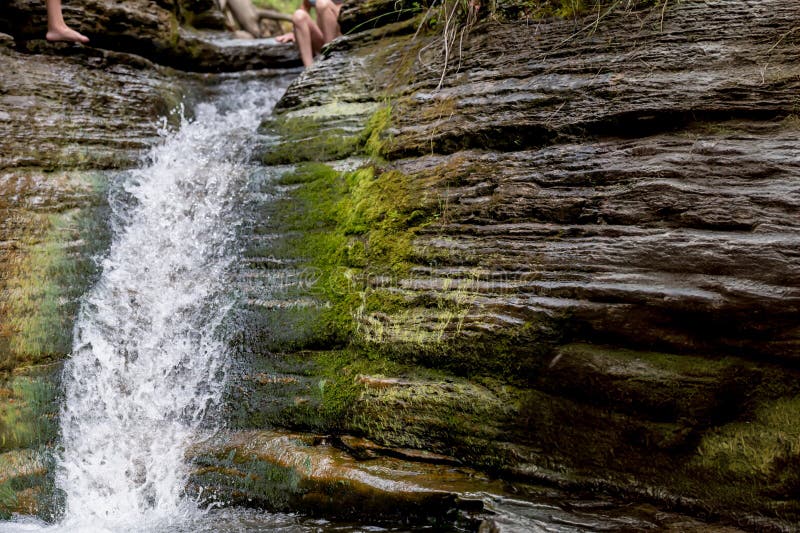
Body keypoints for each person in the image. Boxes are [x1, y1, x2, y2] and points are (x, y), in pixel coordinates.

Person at [275, 0, 342, 67]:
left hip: (342, 39)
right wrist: (293, 32)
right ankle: (309, 70)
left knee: (323, 3)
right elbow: (304, 7)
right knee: (299, 15)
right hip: (322, 42)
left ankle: (330, 58)